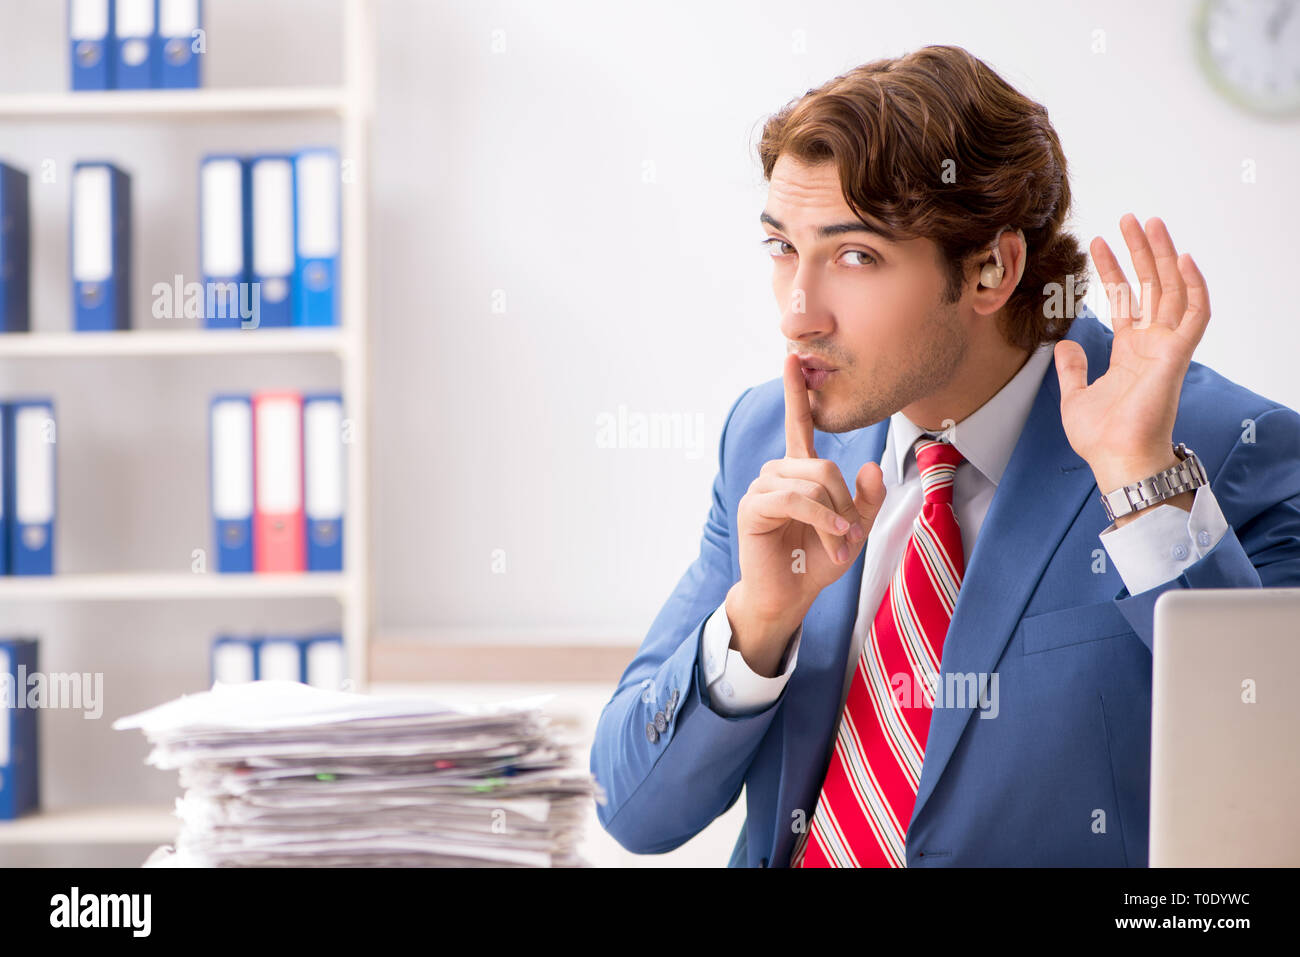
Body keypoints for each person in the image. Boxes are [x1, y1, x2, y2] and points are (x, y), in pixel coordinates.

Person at [589, 44, 1300, 867]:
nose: (796, 314)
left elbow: (1272, 792)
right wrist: (759, 621)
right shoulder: (769, 437)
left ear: (991, 269)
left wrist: (1144, 483)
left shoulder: (1222, 449)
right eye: (783, 248)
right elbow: (630, 809)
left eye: (855, 257)